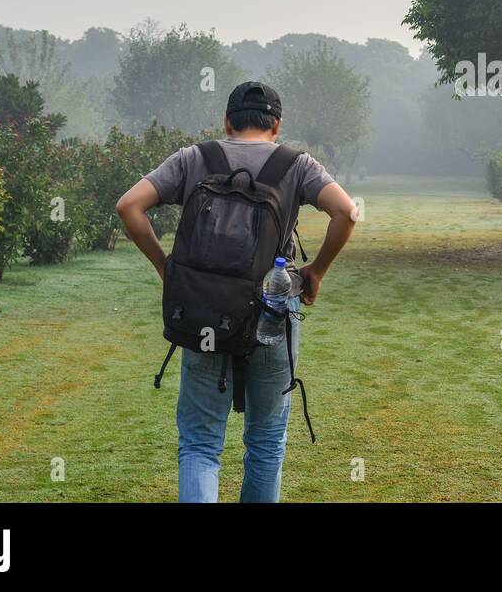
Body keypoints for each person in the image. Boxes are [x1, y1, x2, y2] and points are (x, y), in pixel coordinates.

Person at [116, 81, 357, 502]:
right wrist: (316, 271)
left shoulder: (194, 158)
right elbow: (347, 212)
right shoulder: (296, 165)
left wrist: (165, 267)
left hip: (202, 316)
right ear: (276, 126)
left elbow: (128, 206)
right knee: (265, 442)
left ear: (226, 122)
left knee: (200, 444)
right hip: (271, 315)